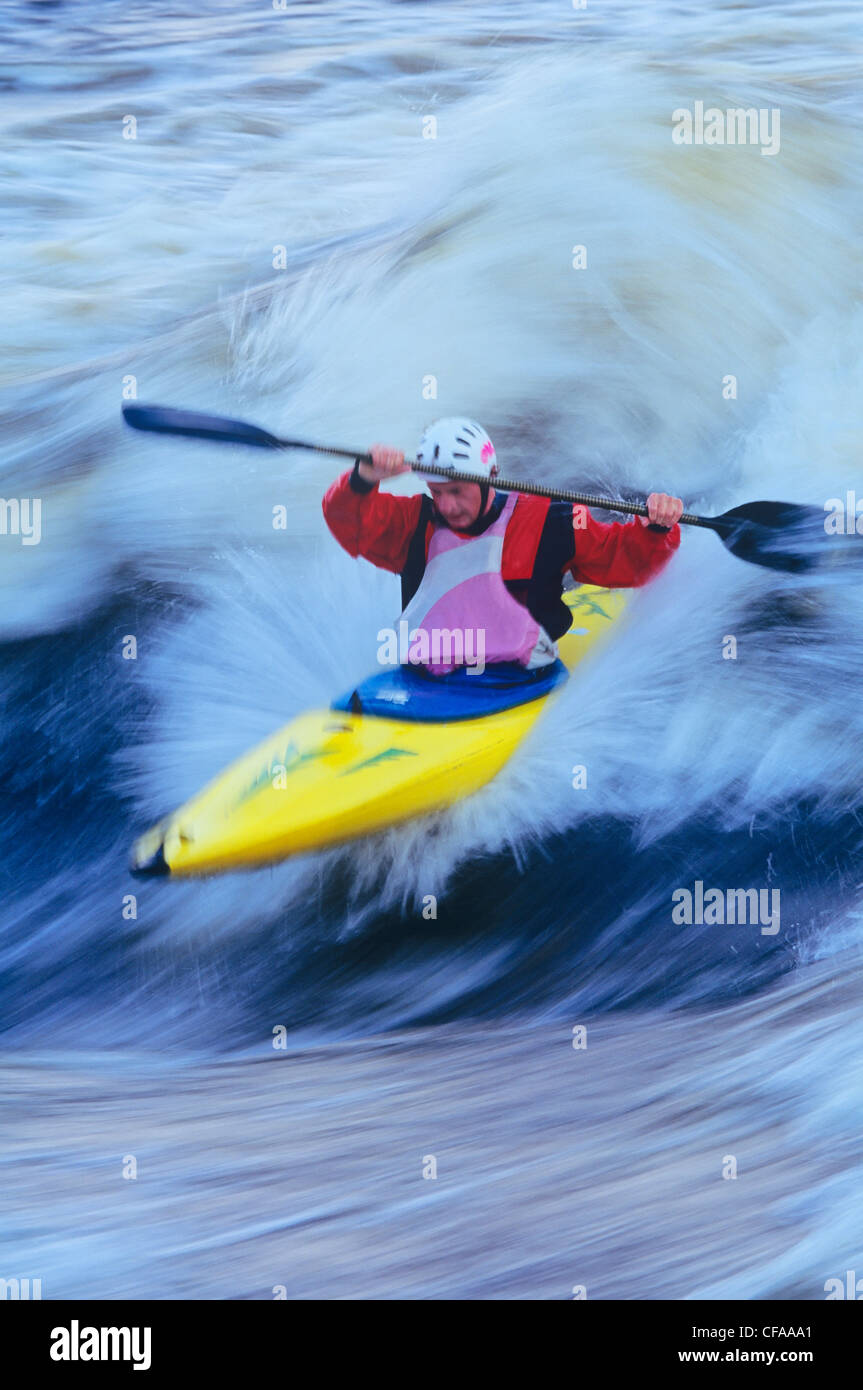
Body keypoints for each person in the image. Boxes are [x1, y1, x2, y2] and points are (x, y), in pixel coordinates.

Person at [322, 417, 683, 675]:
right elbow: (350, 522)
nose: (447, 506)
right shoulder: (414, 524)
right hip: (428, 677)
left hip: (518, 678)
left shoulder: (550, 521)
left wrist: (654, 527)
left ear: (488, 478)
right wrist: (363, 478)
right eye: (438, 492)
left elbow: (626, 561)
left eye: (457, 491)